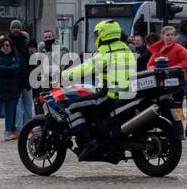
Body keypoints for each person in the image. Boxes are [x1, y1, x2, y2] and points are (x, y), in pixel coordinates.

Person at [59, 19, 137, 159]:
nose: (96, 38)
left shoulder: (107, 51)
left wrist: (64, 75)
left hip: (109, 95)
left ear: (104, 34)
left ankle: (89, 143)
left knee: (71, 107)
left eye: (97, 35)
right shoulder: (126, 48)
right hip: (125, 94)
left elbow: (87, 67)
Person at [0, 35, 20, 142]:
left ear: (11, 46)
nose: (6, 47)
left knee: (9, 113)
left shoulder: (15, 57)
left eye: (7, 45)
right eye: (4, 45)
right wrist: (7, 69)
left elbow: (15, 70)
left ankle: (7, 133)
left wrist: (2, 68)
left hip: (11, 89)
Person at [7, 20, 34, 133]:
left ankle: (27, 126)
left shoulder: (24, 42)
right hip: (14, 80)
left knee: (28, 105)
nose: (16, 29)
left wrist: (29, 77)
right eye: (14, 27)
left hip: (26, 79)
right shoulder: (7, 42)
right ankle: (18, 128)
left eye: (18, 27)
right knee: (17, 105)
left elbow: (28, 62)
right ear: (11, 29)